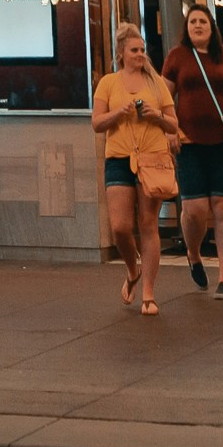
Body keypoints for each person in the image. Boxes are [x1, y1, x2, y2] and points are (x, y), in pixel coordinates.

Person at [164, 0, 223, 298]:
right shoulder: (177, 57)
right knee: (194, 210)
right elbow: (164, 101)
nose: (198, 25)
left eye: (203, 21)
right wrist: (170, 131)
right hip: (189, 145)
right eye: (192, 21)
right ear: (186, 28)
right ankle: (193, 253)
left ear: (212, 27)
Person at [92, 29, 181, 315]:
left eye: (142, 49)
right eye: (134, 50)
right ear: (121, 54)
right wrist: (119, 113)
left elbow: (173, 124)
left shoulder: (156, 84)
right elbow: (97, 123)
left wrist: (156, 115)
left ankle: (149, 294)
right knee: (120, 227)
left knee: (148, 224)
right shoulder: (108, 83)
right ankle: (132, 269)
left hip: (152, 158)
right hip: (119, 158)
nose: (141, 54)